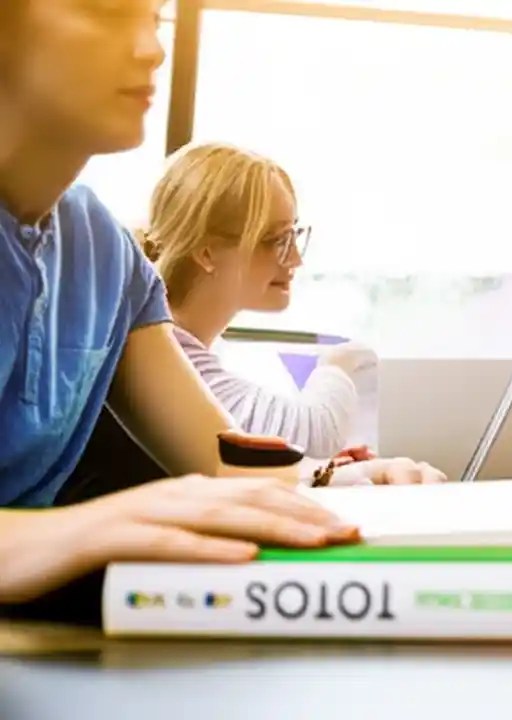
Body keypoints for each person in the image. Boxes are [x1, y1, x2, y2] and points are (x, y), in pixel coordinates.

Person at [0, 0, 437, 606]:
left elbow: (218, 456)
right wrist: (93, 526)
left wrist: (334, 477)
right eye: (104, 12)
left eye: (154, 21)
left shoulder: (102, 248)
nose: (151, 50)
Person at [139, 141, 382, 458]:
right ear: (206, 251)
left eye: (294, 236)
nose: (295, 259)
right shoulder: (166, 351)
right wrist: (337, 363)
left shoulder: (186, 345)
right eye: (277, 240)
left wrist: (329, 474)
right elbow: (314, 433)